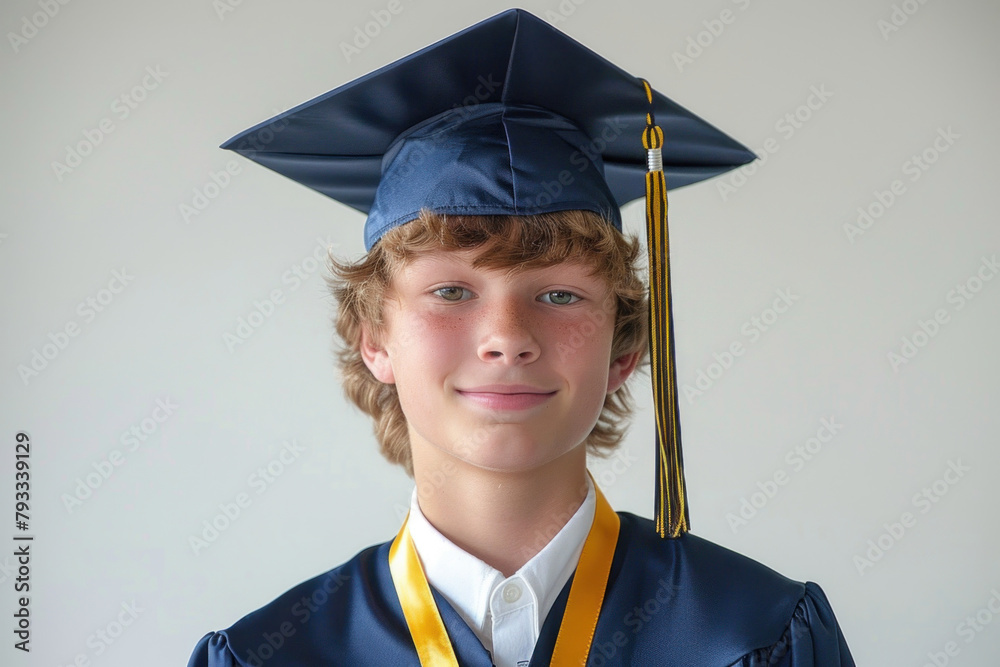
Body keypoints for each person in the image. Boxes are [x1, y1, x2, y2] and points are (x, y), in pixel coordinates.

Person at [188, 9, 854, 666]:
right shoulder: (273, 655)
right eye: (451, 292)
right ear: (374, 338)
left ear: (623, 348)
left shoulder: (754, 636)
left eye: (559, 295)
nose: (507, 338)